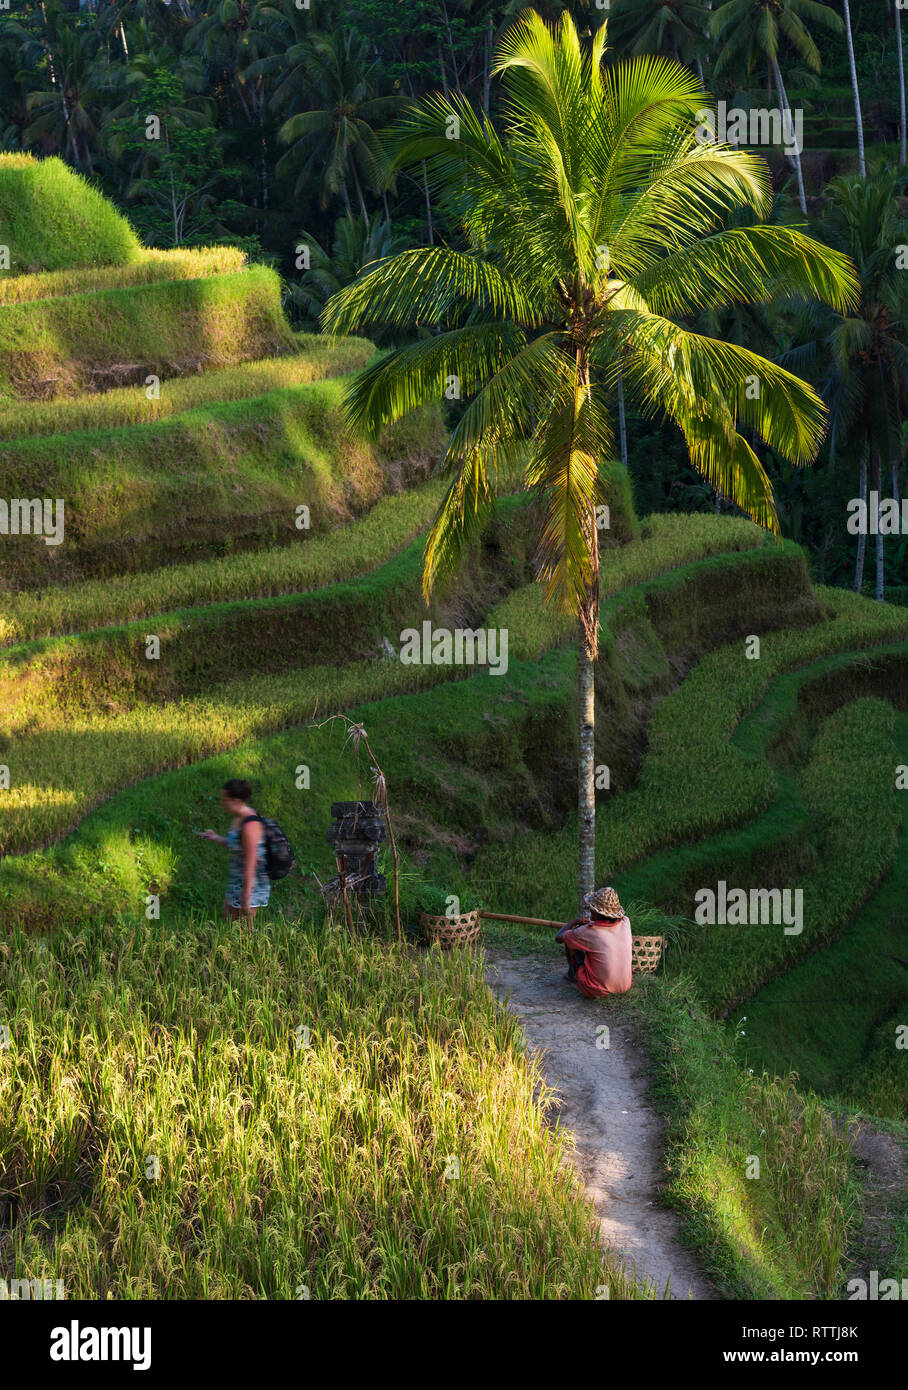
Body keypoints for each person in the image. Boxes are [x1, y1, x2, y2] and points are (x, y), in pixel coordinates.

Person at [201, 779, 270, 927]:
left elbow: (251, 863)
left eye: (224, 800)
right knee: (228, 923)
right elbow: (237, 845)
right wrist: (215, 837)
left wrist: (246, 897)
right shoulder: (238, 819)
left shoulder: (250, 824)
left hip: (251, 884)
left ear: (236, 800)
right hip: (237, 881)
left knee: (244, 931)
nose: (222, 803)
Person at [555, 886, 632, 998]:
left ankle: (573, 975)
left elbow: (559, 937)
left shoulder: (589, 931)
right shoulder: (626, 922)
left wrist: (573, 922)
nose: (590, 909)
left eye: (591, 907)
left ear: (597, 912)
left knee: (570, 940)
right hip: (624, 986)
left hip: (597, 990)